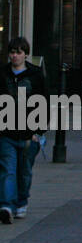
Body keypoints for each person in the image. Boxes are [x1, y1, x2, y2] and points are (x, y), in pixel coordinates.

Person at [0, 37, 45, 223]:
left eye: (18, 52)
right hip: (6, 132)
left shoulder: (35, 75)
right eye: (12, 52)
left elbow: (45, 103)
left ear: (26, 54)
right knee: (7, 170)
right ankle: (6, 205)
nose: (14, 56)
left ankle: (21, 202)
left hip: (29, 133)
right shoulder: (2, 74)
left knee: (24, 171)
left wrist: (39, 131)